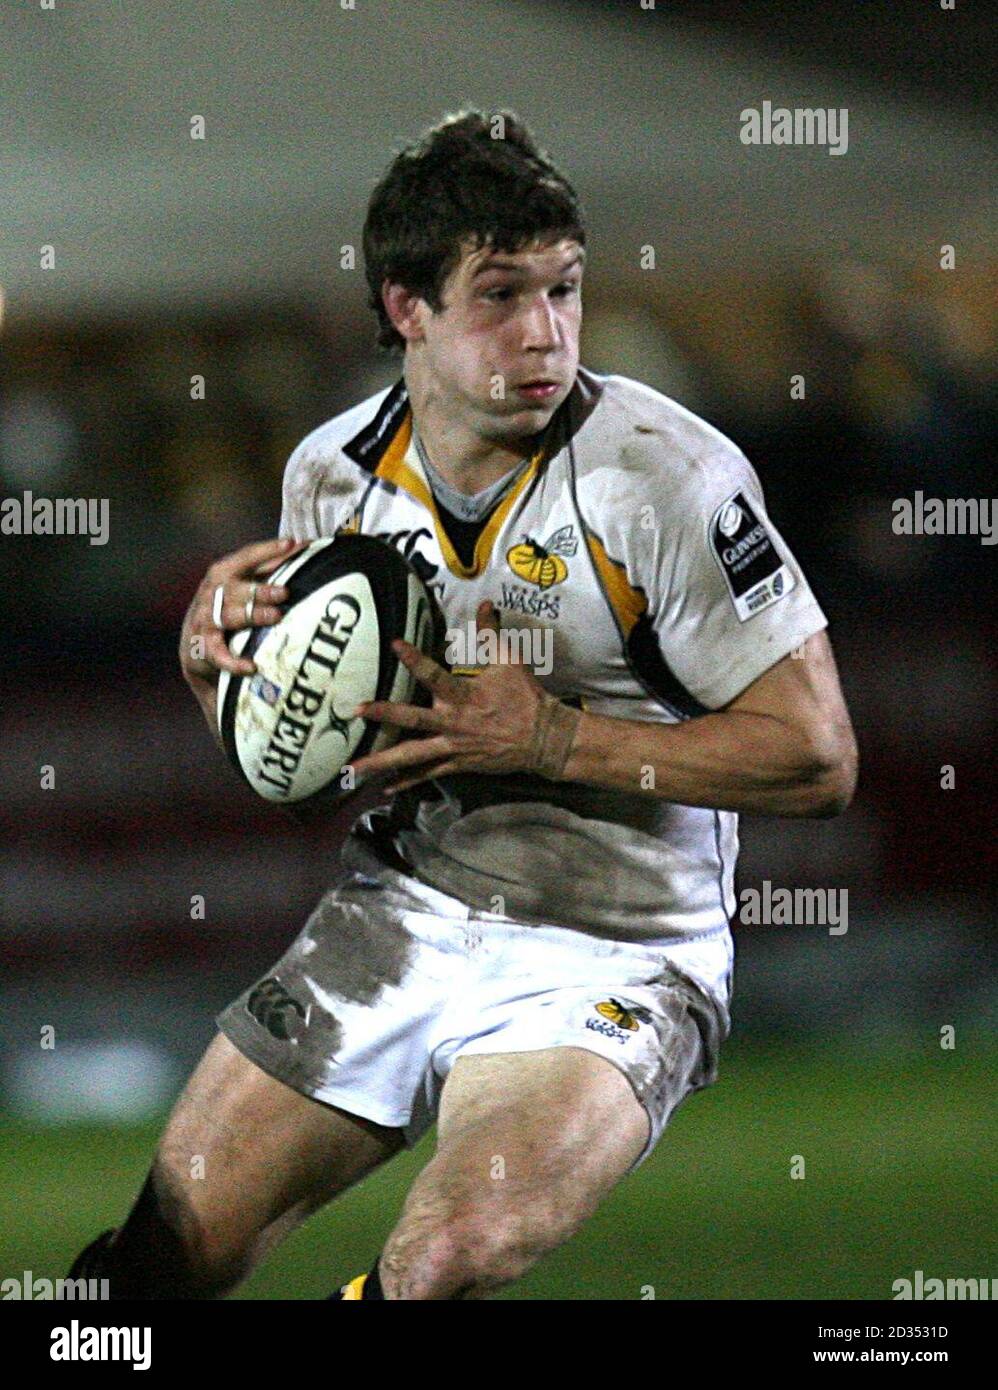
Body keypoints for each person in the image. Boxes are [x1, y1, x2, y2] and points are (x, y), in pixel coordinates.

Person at [69, 108, 857, 1301]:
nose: (543, 334)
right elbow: (322, 769)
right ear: (404, 309)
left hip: (618, 948)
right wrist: (230, 696)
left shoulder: (667, 480)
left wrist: (555, 737)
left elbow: (816, 757)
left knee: (439, 1260)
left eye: (564, 290)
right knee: (151, 1263)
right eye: (500, 294)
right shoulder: (331, 475)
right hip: (404, 908)